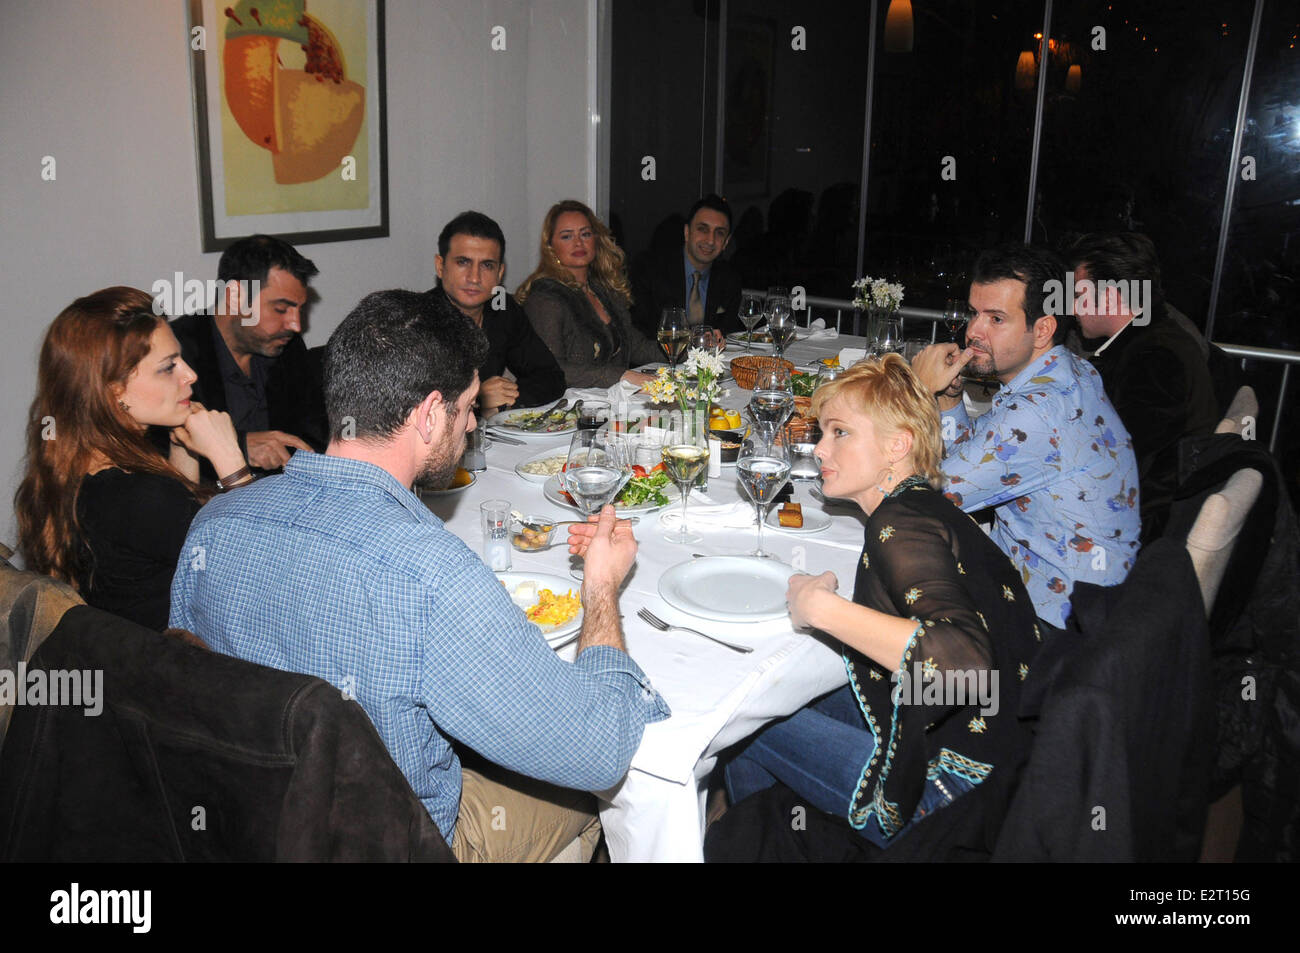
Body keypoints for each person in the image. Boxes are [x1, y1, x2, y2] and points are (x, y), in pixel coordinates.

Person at [169, 289, 669, 862]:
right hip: (402, 844)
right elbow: (598, 749)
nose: (472, 426)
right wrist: (601, 587)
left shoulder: (214, 522)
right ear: (430, 414)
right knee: (594, 793)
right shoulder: (433, 575)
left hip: (249, 827)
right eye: (469, 408)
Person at [712, 356, 1040, 856]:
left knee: (741, 720)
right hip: (1010, 765)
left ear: (897, 446)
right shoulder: (925, 507)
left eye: (840, 432)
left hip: (952, 796)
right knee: (782, 697)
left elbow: (964, 663)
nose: (820, 448)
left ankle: (763, 840)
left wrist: (820, 608)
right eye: (823, 432)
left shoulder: (897, 525)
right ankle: (774, 835)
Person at [910, 243, 1141, 628]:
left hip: (1060, 626)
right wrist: (949, 399)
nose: (973, 332)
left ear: (1043, 330)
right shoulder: (1069, 371)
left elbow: (915, 499)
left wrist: (917, 392)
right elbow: (974, 460)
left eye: (996, 319)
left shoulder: (1038, 411)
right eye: (974, 313)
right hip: (1073, 598)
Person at [15, 287, 253, 631]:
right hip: (184, 661)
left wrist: (182, 448)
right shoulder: (139, 497)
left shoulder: (76, 469)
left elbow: (173, 528)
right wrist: (231, 463)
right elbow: (259, 570)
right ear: (114, 391)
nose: (190, 374)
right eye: (168, 367)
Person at [1065, 232, 1219, 541]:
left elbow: (1119, 463)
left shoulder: (1154, 359)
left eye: (1078, 294)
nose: (1071, 306)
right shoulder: (1156, 337)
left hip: (1139, 529)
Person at [169, 234, 328, 475]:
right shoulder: (177, 352)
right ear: (235, 297)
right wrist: (240, 445)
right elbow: (155, 446)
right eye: (281, 309)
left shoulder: (286, 345)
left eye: (299, 309)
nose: (296, 325)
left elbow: (313, 426)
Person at [429, 210, 565, 417]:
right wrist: (478, 400)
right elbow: (414, 410)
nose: (474, 278)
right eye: (463, 262)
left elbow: (550, 377)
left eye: (487, 265)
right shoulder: (418, 321)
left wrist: (504, 403)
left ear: (500, 273)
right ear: (440, 266)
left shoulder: (502, 308)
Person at [517, 199, 661, 389]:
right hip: (567, 403)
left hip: (610, 399)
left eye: (585, 234)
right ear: (550, 246)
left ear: (596, 240)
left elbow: (637, 347)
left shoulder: (603, 290)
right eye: (567, 236)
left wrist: (691, 349)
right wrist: (622, 377)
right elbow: (551, 368)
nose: (578, 243)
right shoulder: (545, 299)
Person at [630, 194, 744, 338]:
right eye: (703, 229)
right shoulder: (650, 269)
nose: (710, 240)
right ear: (687, 232)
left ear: (726, 242)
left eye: (719, 233)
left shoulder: (729, 279)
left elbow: (730, 332)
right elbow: (639, 331)